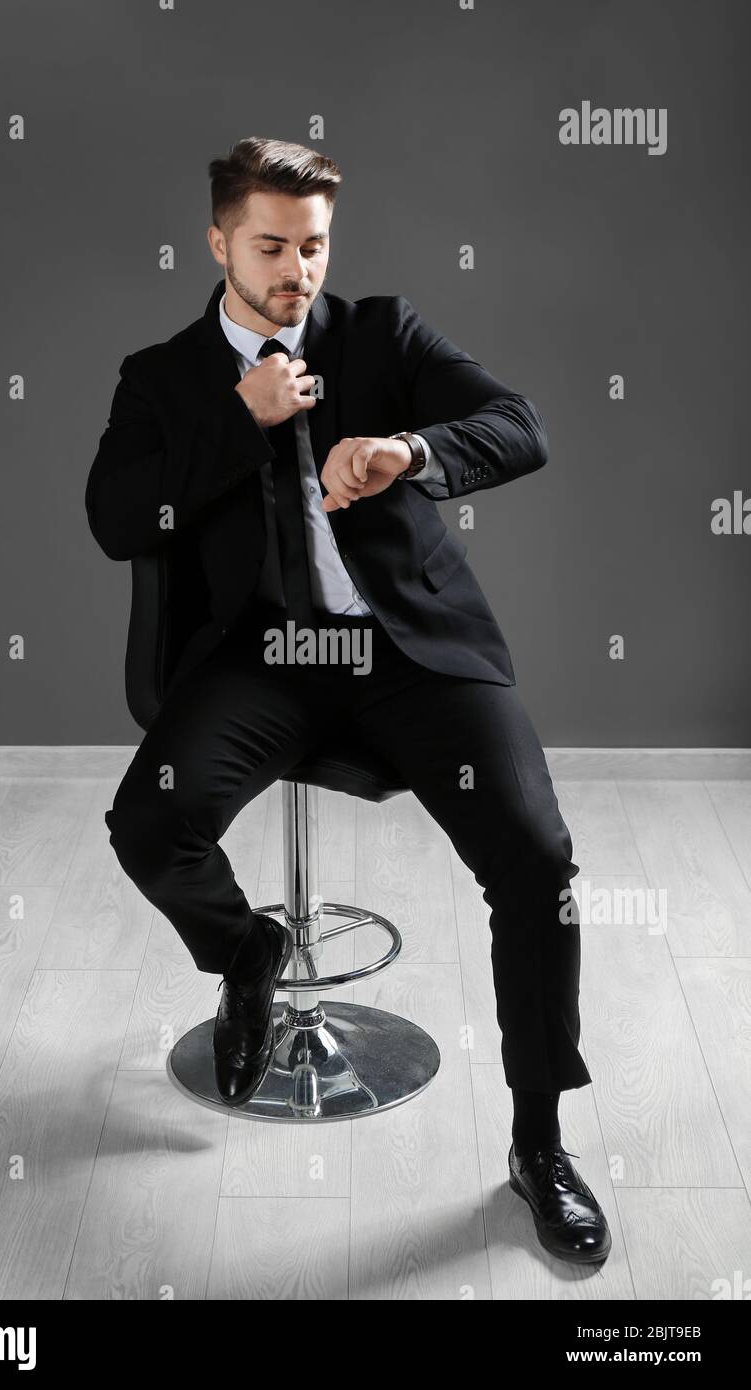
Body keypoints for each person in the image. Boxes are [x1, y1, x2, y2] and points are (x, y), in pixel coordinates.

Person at [85, 136, 611, 1266]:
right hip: (257, 661)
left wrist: (409, 451)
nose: (295, 271)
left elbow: (523, 425)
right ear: (217, 240)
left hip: (405, 653)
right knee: (147, 826)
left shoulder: (384, 334)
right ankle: (244, 956)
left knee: (534, 856)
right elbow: (117, 522)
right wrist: (243, 418)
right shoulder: (160, 375)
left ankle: (537, 1144)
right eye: (270, 246)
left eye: (312, 246)